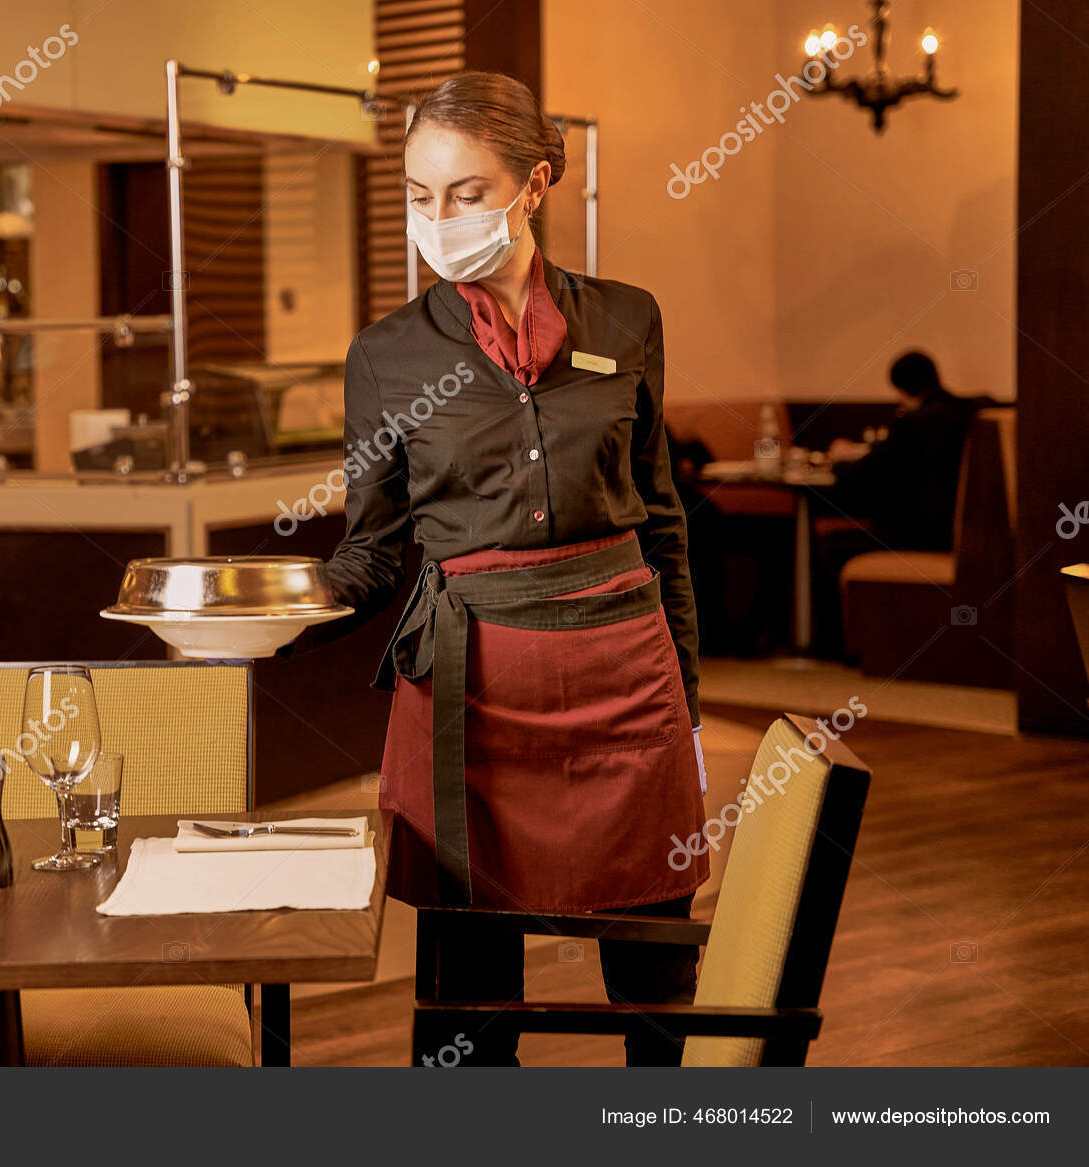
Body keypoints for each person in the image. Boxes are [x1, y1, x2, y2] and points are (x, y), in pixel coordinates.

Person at [290, 71, 708, 1067]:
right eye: (419, 195)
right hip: (467, 693)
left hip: (627, 680)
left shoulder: (626, 320)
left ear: (536, 183)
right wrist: (270, 610)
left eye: (467, 193)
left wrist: (684, 694)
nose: (438, 220)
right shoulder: (384, 353)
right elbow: (371, 547)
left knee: (655, 982)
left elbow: (660, 516)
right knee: (469, 1002)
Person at [811, 350, 997, 656]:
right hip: (963, 534)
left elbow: (864, 475)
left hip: (915, 535)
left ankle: (838, 647)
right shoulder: (974, 412)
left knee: (830, 545)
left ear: (903, 388)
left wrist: (840, 460)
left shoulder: (913, 424)